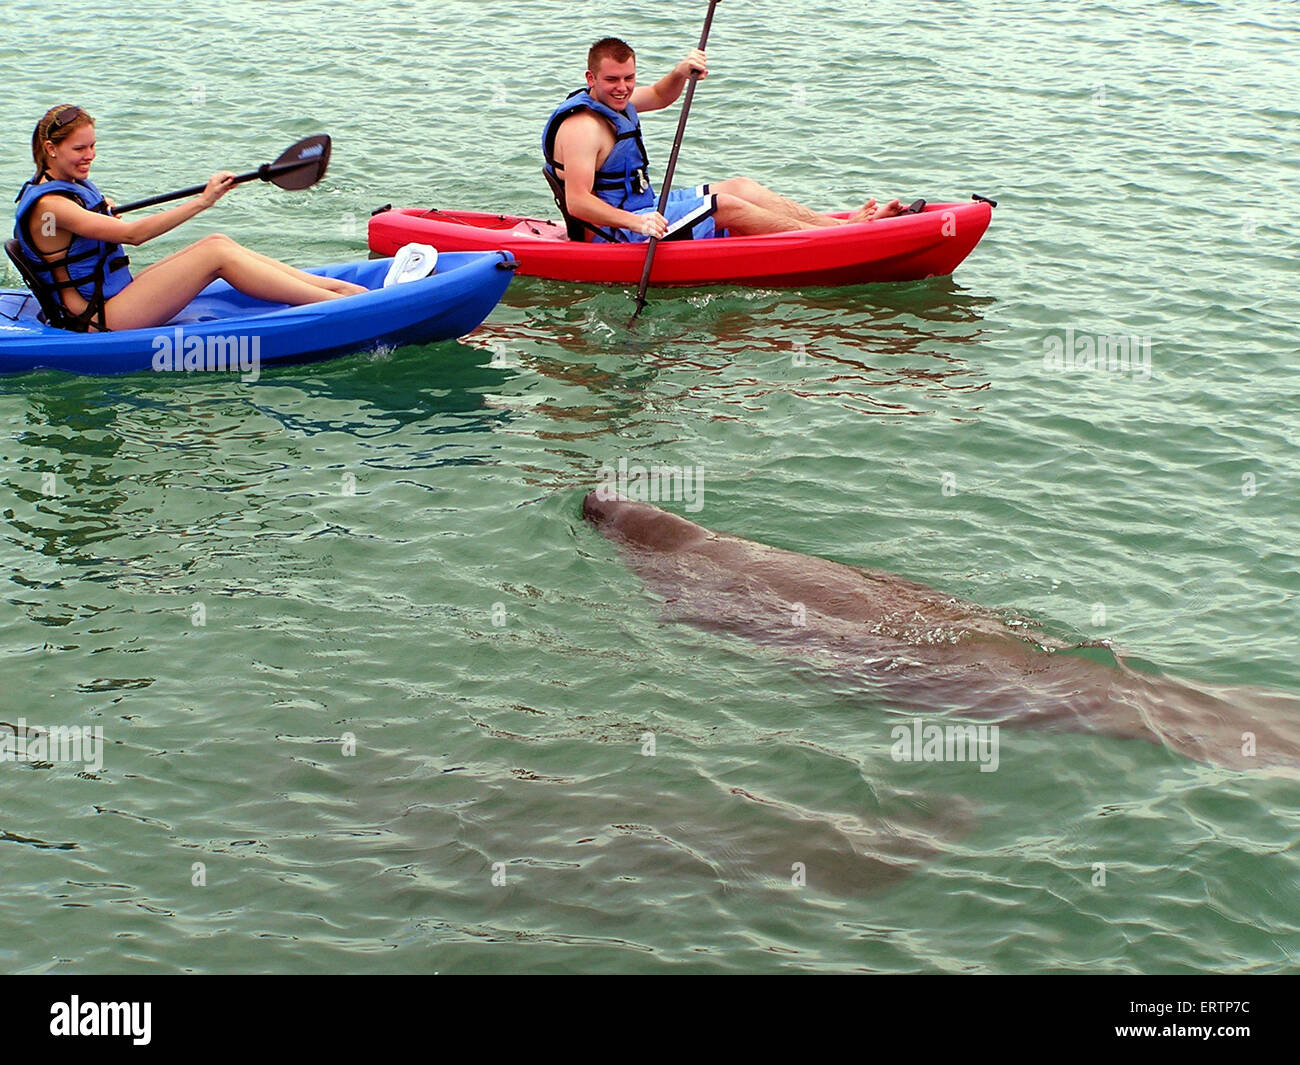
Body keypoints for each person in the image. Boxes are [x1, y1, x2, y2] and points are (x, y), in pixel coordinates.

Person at [12, 105, 366, 333]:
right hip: (96, 318)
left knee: (217, 243)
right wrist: (203, 202)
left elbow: (83, 234)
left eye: (93, 146)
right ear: (50, 148)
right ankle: (340, 307)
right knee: (215, 257)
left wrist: (99, 210)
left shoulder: (66, 187)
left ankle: (338, 290)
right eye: (79, 149)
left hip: (113, 297)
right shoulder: (52, 206)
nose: (90, 156)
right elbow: (133, 235)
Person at [542, 38, 911, 244]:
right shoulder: (582, 128)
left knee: (741, 186)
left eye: (629, 77)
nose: (623, 88)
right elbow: (578, 203)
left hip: (647, 206)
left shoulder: (615, 102)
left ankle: (839, 228)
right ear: (591, 77)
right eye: (612, 80)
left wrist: (680, 72)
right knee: (726, 204)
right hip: (616, 234)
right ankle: (838, 238)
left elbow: (658, 94)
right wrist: (638, 224)